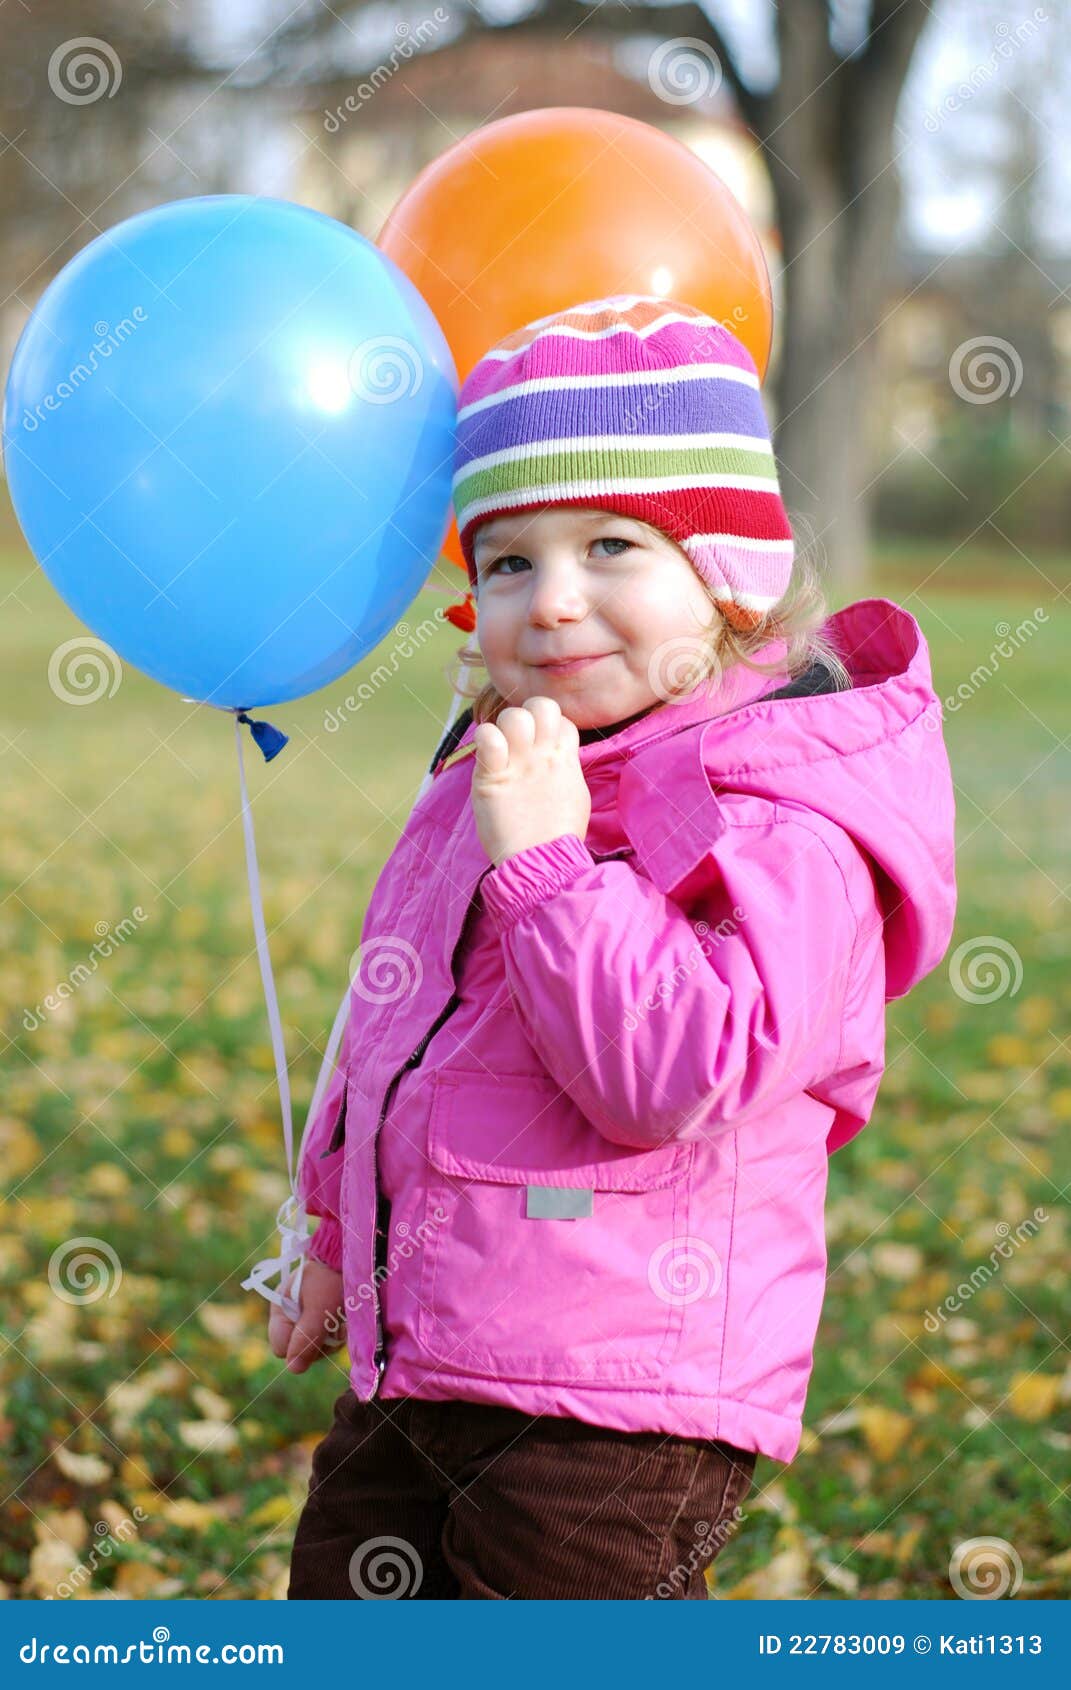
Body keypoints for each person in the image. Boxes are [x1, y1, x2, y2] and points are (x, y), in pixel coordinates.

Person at [277, 295, 957, 1600]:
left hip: (619, 1395)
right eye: (512, 560)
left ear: (729, 576)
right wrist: (330, 1231)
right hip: (428, 1343)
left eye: (611, 545)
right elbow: (393, 1024)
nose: (554, 601)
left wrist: (544, 862)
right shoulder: (496, 764)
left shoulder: (784, 802)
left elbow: (678, 1067)